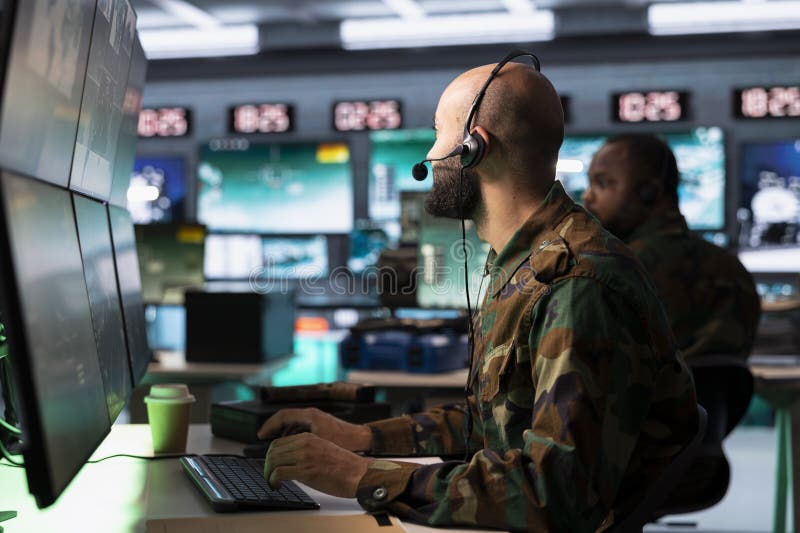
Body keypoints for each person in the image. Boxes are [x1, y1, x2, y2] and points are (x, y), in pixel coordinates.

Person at [257, 60, 698, 531]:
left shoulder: (577, 285)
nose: (430, 154)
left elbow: (557, 493)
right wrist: (362, 437)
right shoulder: (521, 261)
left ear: (473, 148)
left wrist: (361, 475)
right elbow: (491, 421)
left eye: (438, 134)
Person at [583, 134, 761, 360]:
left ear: (650, 192)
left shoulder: (615, 272)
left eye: (603, 183)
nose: (588, 197)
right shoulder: (732, 270)